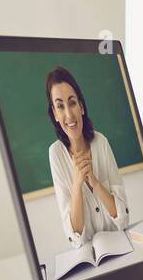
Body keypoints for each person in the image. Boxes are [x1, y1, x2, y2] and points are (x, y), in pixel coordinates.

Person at [45, 66, 129, 249]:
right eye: (60, 106)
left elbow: (123, 218)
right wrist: (77, 183)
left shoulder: (101, 142)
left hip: (120, 249)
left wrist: (94, 182)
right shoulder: (56, 154)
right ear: (55, 115)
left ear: (81, 106)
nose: (69, 114)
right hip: (88, 261)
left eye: (72, 102)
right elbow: (75, 236)